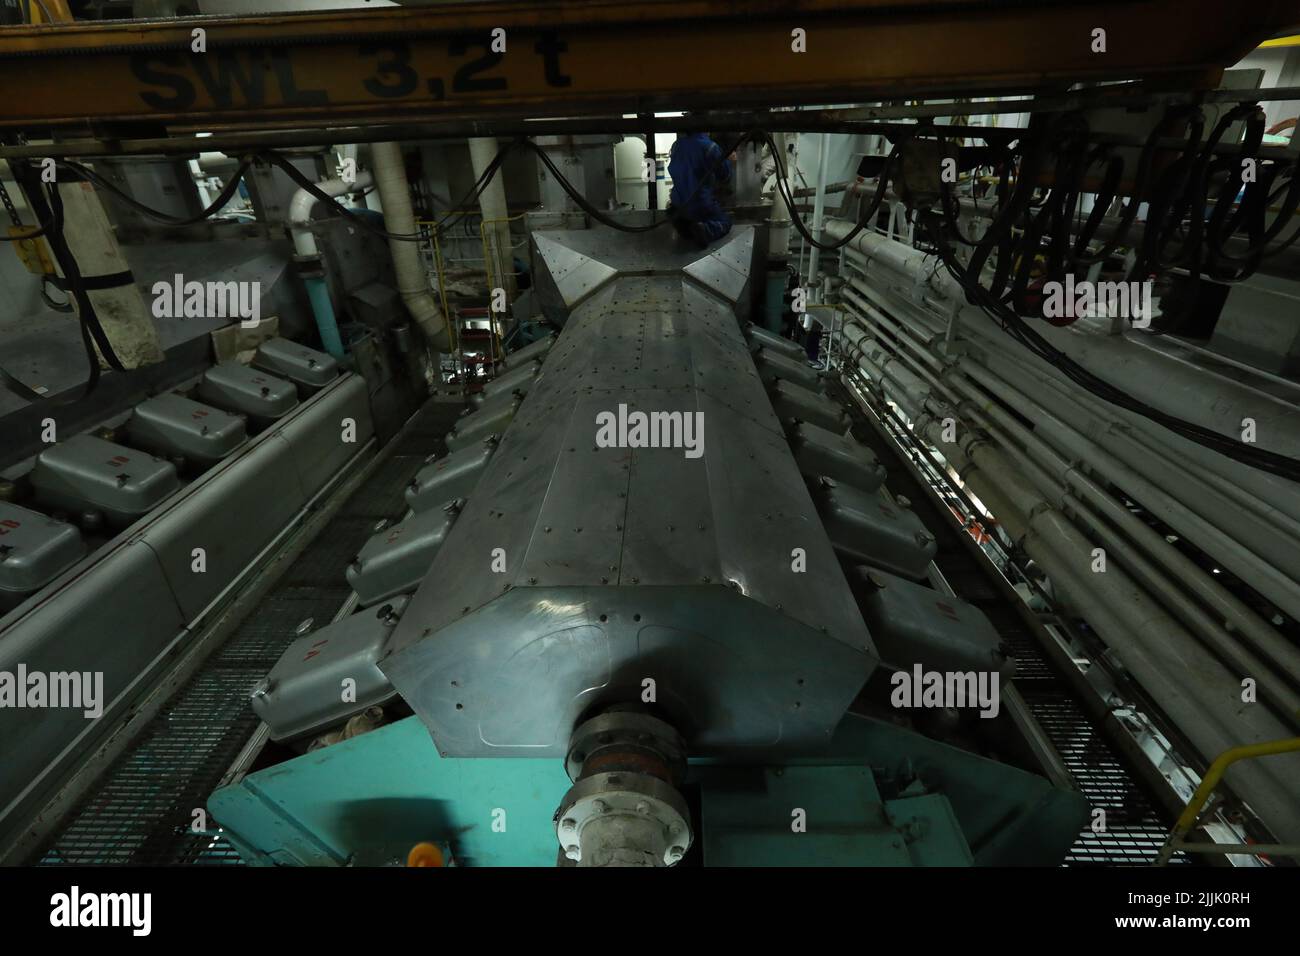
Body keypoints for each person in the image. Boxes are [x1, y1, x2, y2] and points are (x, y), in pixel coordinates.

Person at [667, 132, 735, 247]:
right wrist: (729, 160)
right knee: (725, 221)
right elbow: (725, 176)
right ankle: (706, 229)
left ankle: (684, 224)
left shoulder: (676, 145)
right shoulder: (710, 147)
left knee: (684, 218)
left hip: (677, 204)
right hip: (700, 203)